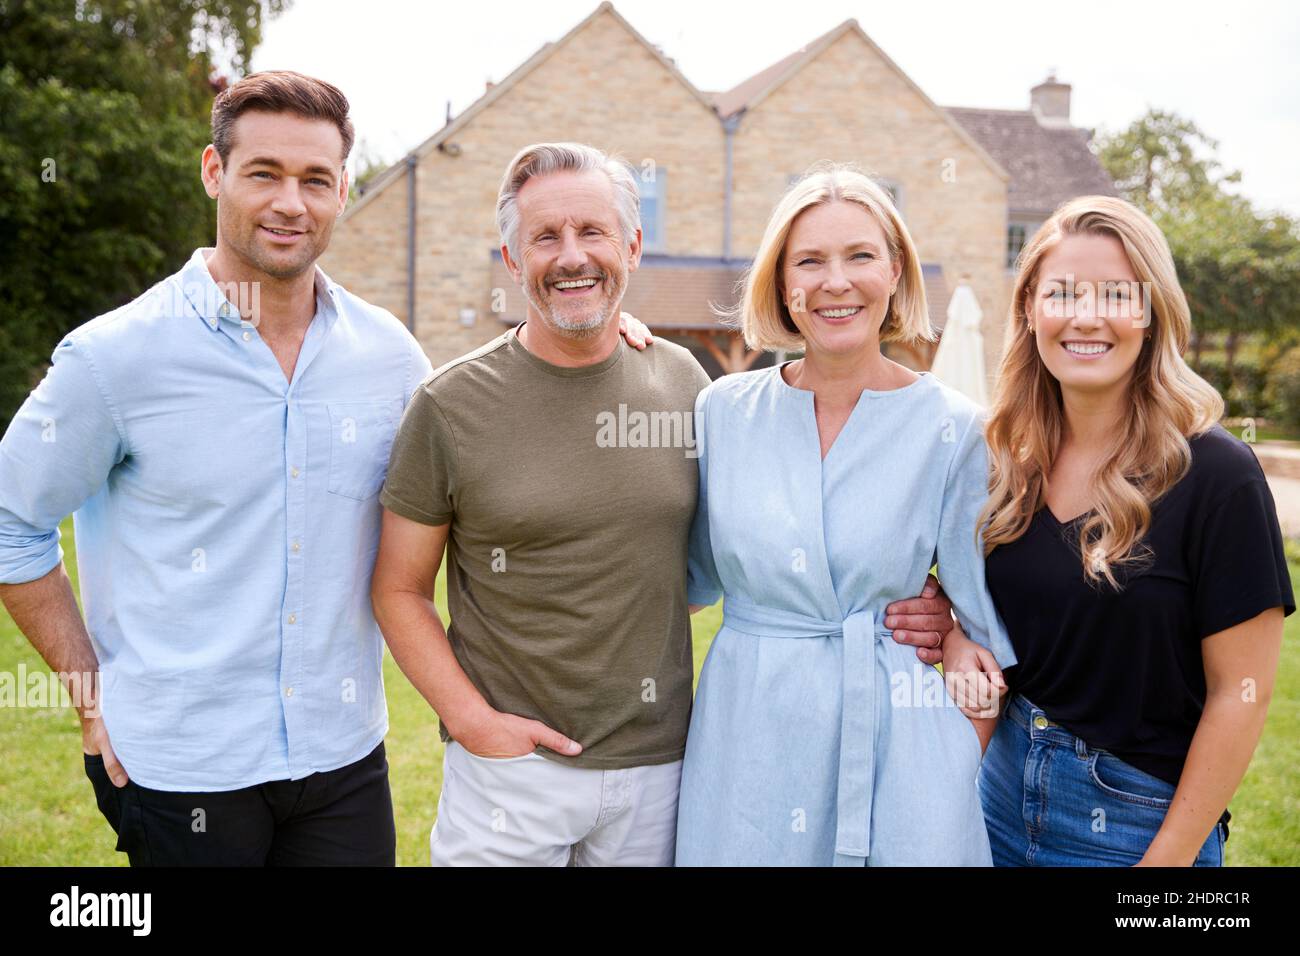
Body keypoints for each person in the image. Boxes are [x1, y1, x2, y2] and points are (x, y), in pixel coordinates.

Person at [371, 144, 958, 867]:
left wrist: (928, 602)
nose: (570, 256)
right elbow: (398, 588)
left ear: (633, 245)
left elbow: (715, 563)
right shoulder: (451, 404)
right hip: (511, 777)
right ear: (512, 257)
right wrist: (474, 723)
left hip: (662, 768)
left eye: (593, 233)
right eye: (545, 237)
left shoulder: (684, 384)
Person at [0, 70, 429, 866]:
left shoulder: (390, 358)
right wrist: (89, 693)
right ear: (213, 171)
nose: (290, 203)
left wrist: (597, 338)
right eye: (263, 173)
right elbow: (9, 519)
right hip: (180, 768)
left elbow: (472, 455)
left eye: (316, 180)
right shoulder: (115, 359)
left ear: (342, 190)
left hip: (343, 759)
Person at [674, 164, 1016, 866]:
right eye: (810, 260)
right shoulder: (724, 412)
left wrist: (948, 760)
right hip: (747, 744)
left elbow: (985, 633)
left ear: (894, 270)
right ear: (782, 282)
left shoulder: (954, 428)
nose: (836, 281)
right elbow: (685, 579)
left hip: (900, 751)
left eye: (859, 255)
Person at [943, 195, 1294, 866]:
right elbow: (977, 605)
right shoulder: (1006, 463)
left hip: (1136, 820)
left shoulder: (1219, 475)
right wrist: (959, 638)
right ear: (1029, 309)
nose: (1086, 315)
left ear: (1152, 312)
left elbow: (1240, 697)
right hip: (995, 796)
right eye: (1063, 292)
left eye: (1115, 293)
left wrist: (1165, 861)